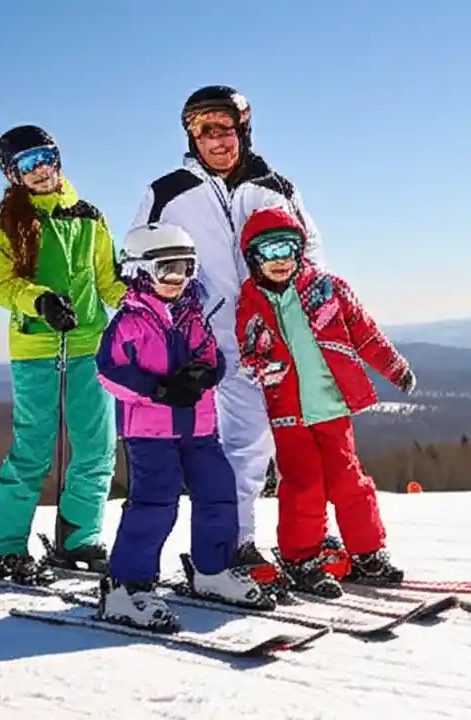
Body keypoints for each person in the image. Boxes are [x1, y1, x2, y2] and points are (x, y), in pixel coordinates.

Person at [129, 85, 324, 582]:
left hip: (272, 336)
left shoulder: (276, 186)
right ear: (191, 137)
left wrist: (306, 313)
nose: (217, 141)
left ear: (244, 130)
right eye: (204, 131)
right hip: (208, 340)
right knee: (235, 448)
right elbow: (137, 265)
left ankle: (300, 545)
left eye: (226, 129)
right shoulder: (169, 192)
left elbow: (310, 252)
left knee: (289, 445)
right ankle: (233, 547)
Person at [93, 222, 276, 632]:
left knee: (218, 492)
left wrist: (204, 373)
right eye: (167, 269)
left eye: (186, 268)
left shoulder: (194, 315)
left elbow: (213, 357)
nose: (178, 279)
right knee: (155, 505)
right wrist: (156, 389)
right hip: (150, 434)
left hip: (199, 428)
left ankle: (213, 569)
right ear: (140, 270)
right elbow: (109, 373)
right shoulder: (128, 322)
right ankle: (128, 586)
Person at [0, 125, 125, 585]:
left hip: (90, 347)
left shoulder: (89, 218)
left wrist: (143, 299)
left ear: (57, 158)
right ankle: (0, 549)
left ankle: (79, 539)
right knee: (33, 450)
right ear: (14, 176)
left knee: (96, 448)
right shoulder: (10, 224)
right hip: (36, 349)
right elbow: (4, 286)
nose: (38, 171)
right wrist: (41, 301)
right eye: (25, 166)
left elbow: (108, 281)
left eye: (42, 158)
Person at [235, 206, 415, 598]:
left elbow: (366, 333)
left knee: (350, 481)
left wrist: (395, 367)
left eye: (287, 248)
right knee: (304, 485)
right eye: (268, 252)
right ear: (252, 258)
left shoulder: (327, 289)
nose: (280, 260)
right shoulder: (250, 300)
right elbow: (247, 347)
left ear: (301, 250)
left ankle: (367, 551)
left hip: (332, 406)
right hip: (289, 412)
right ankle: (302, 557)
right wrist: (261, 361)